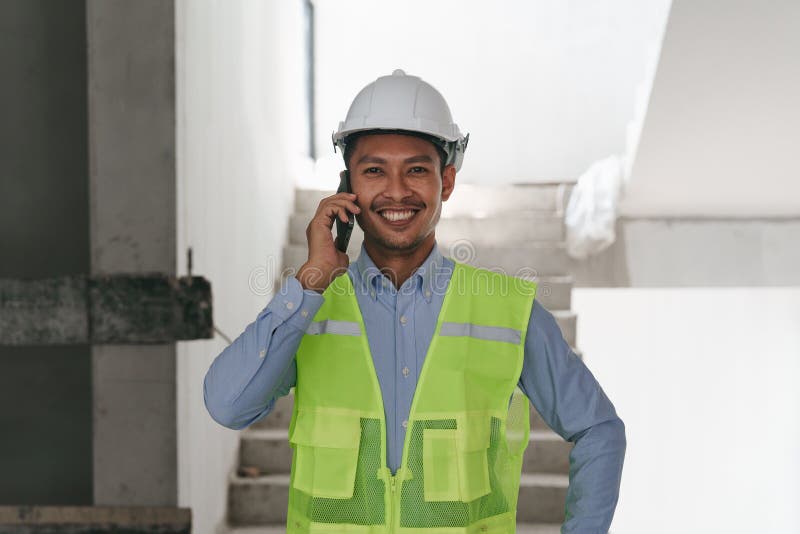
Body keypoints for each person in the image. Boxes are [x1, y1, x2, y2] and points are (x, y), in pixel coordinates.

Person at [204, 69, 626, 533]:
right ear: (348, 186)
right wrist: (311, 280)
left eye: (417, 170)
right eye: (374, 170)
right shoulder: (308, 307)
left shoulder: (507, 311)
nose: (397, 191)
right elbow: (228, 405)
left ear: (446, 181)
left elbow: (598, 430)